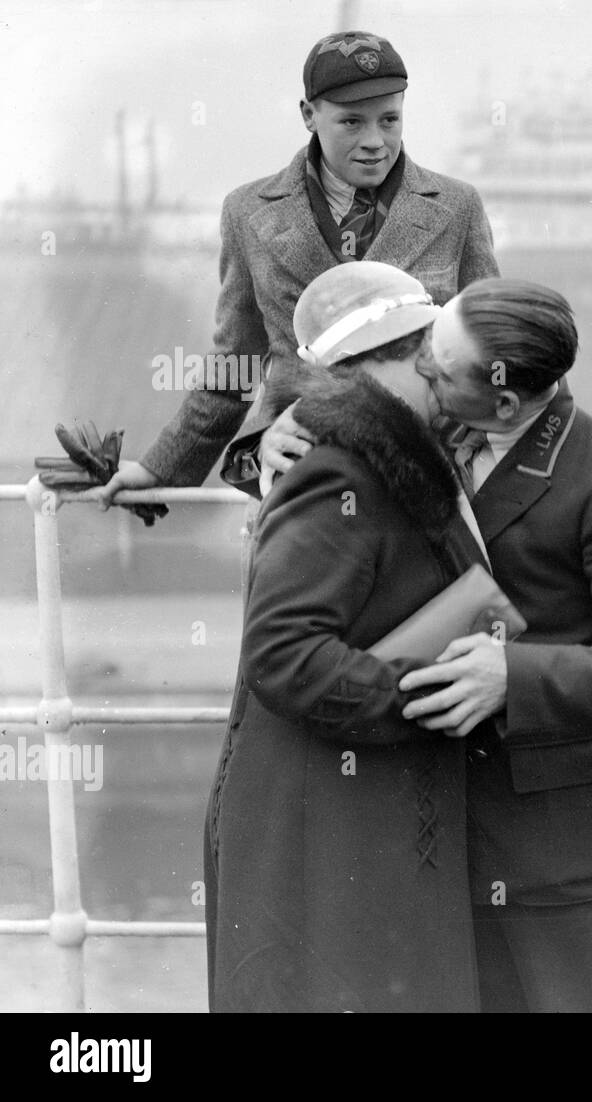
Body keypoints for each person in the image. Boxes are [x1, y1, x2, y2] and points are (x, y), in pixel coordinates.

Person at [258, 277, 592, 1013]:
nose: (419, 368)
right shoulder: (425, 429)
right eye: (429, 349)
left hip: (553, 856)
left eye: (440, 367)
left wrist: (514, 678)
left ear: (503, 402)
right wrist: (273, 429)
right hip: (428, 838)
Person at [204, 261, 487, 1012]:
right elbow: (285, 654)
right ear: (389, 361)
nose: (446, 378)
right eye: (425, 355)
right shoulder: (342, 474)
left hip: (357, 815)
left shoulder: (395, 454)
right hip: (327, 827)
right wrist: (430, 692)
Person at [96, 29, 498, 503]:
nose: (375, 141)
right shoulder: (247, 213)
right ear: (309, 115)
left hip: (431, 480)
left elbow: (498, 341)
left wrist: (491, 422)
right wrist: (161, 468)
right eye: (352, 122)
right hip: (300, 478)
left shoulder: (457, 207)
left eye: (390, 120)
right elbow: (236, 364)